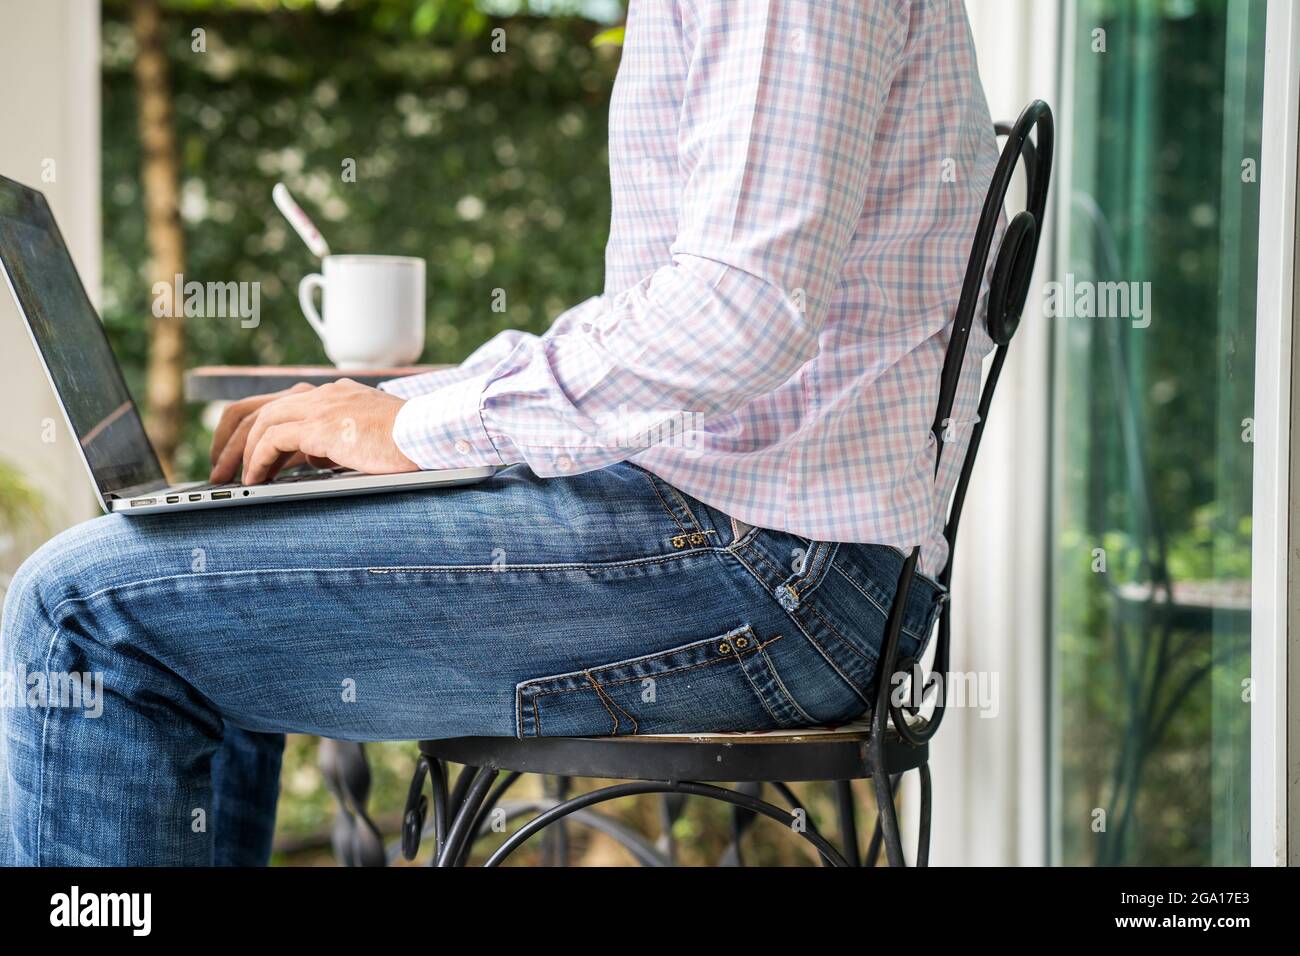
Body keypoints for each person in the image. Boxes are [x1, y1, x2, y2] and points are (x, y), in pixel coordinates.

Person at [1, 0, 997, 865]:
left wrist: (421, 425)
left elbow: (740, 308)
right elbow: (678, 311)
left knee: (82, 612)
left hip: (771, 564)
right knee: (180, 584)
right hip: (777, 540)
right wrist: (403, 411)